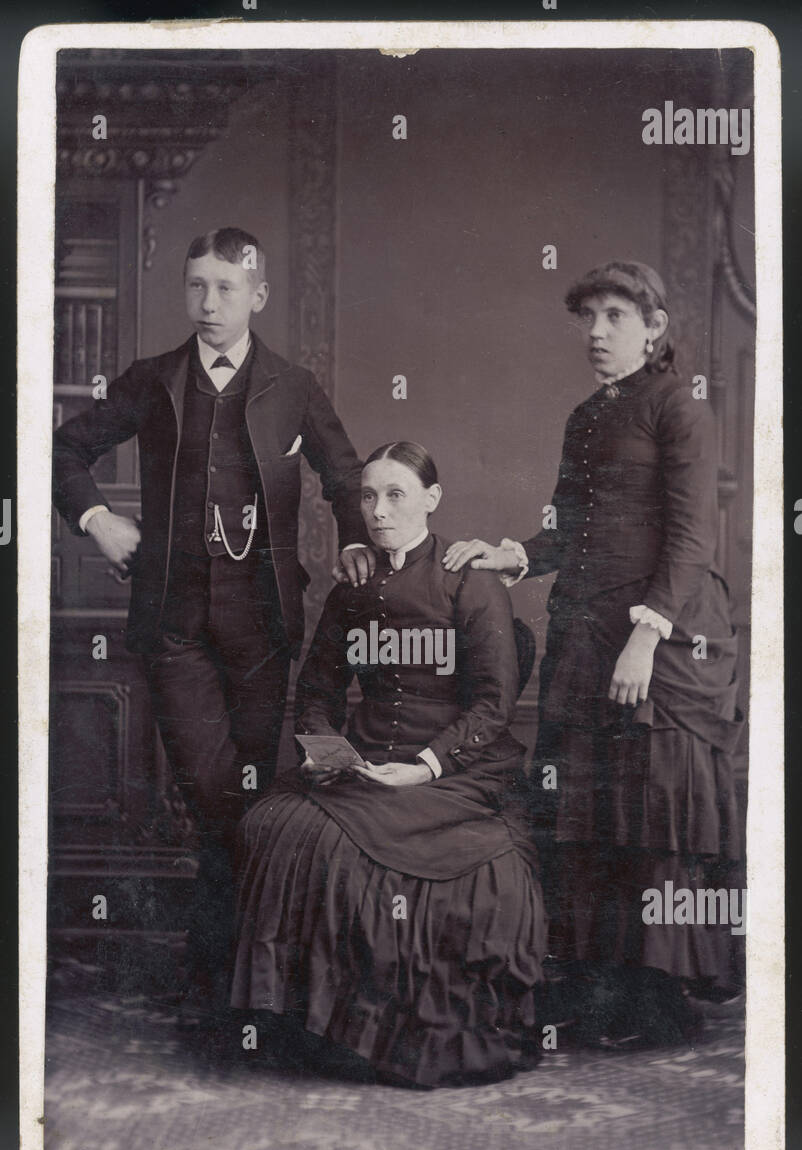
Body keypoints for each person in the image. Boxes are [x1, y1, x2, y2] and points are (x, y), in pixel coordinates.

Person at [52, 226, 375, 1007]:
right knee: (214, 789)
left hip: (264, 625)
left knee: (254, 793)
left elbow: (345, 476)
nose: (208, 303)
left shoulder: (294, 387)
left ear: (257, 296)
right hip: (173, 623)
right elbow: (63, 449)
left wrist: (360, 543)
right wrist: (100, 521)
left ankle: (230, 979)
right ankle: (242, 977)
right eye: (197, 287)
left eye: (226, 288)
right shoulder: (154, 380)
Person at [442, 261, 744, 1047]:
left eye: (617, 316)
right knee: (585, 814)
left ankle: (658, 999)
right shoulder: (585, 416)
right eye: (590, 317)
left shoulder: (679, 408)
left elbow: (691, 536)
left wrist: (650, 634)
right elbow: (565, 528)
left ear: (654, 327)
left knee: (651, 812)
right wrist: (508, 554)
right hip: (588, 631)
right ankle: (600, 986)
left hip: (663, 639)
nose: (599, 332)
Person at [231, 442, 547, 1087]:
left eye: (396, 495)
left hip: (458, 767)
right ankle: (321, 1027)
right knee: (278, 825)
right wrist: (330, 755)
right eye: (367, 497)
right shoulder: (354, 586)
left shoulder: (473, 581)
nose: (378, 511)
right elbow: (316, 693)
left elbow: (492, 707)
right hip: (365, 763)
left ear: (432, 499)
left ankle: (387, 1036)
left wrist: (427, 766)